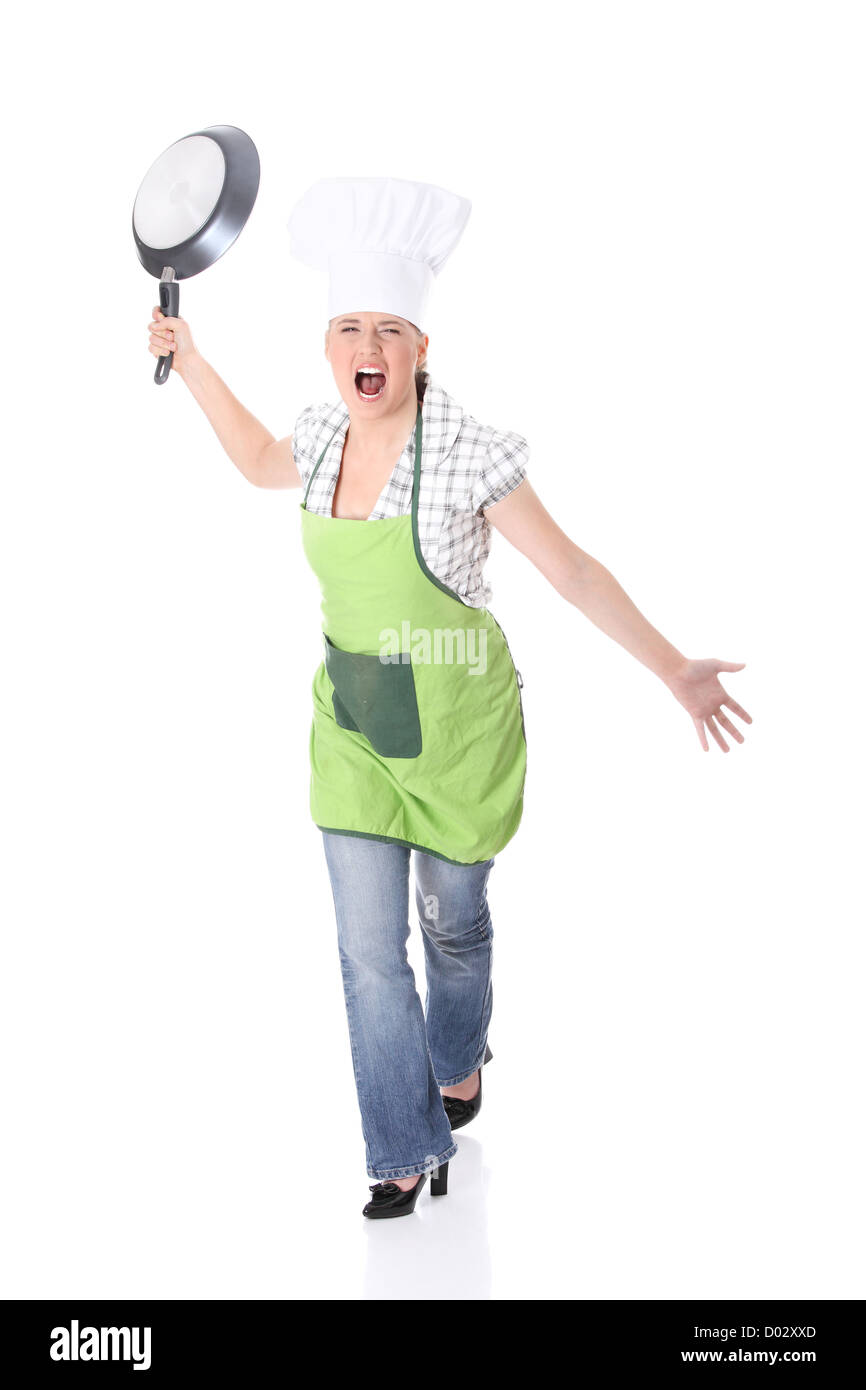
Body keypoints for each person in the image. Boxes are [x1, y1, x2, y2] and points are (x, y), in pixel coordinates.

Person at [146, 177, 752, 1221]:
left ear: (420, 346)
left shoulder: (468, 448)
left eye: (387, 327)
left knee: (453, 927)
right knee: (365, 952)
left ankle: (459, 1054)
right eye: (346, 327)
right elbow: (254, 460)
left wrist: (669, 667)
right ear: (327, 346)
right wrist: (191, 359)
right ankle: (400, 1147)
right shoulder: (323, 440)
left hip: (461, 734)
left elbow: (569, 572)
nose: (364, 344)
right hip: (355, 727)